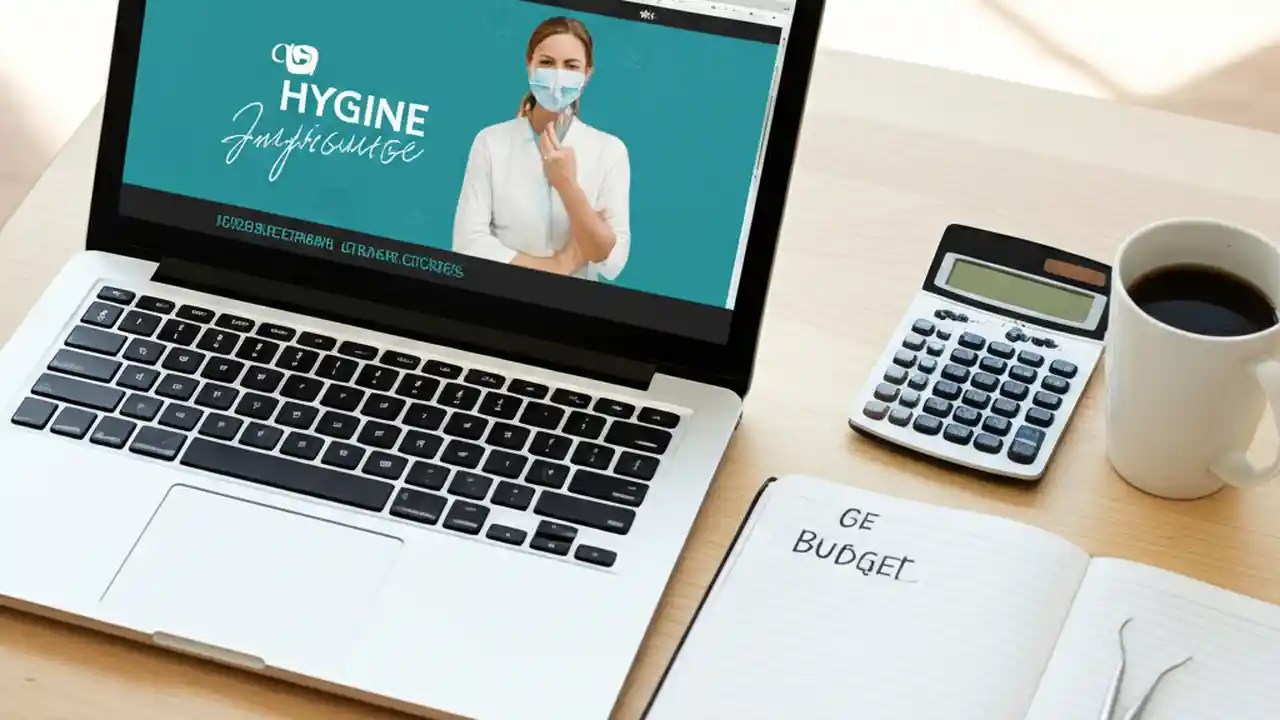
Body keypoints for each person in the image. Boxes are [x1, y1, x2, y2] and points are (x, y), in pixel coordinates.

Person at [453, 16, 631, 281]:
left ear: (587, 73)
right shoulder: (491, 141)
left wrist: (566, 184)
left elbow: (611, 261)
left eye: (571, 66)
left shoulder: (609, 151)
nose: (558, 75)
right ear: (530, 65)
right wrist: (559, 266)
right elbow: (468, 245)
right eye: (547, 63)